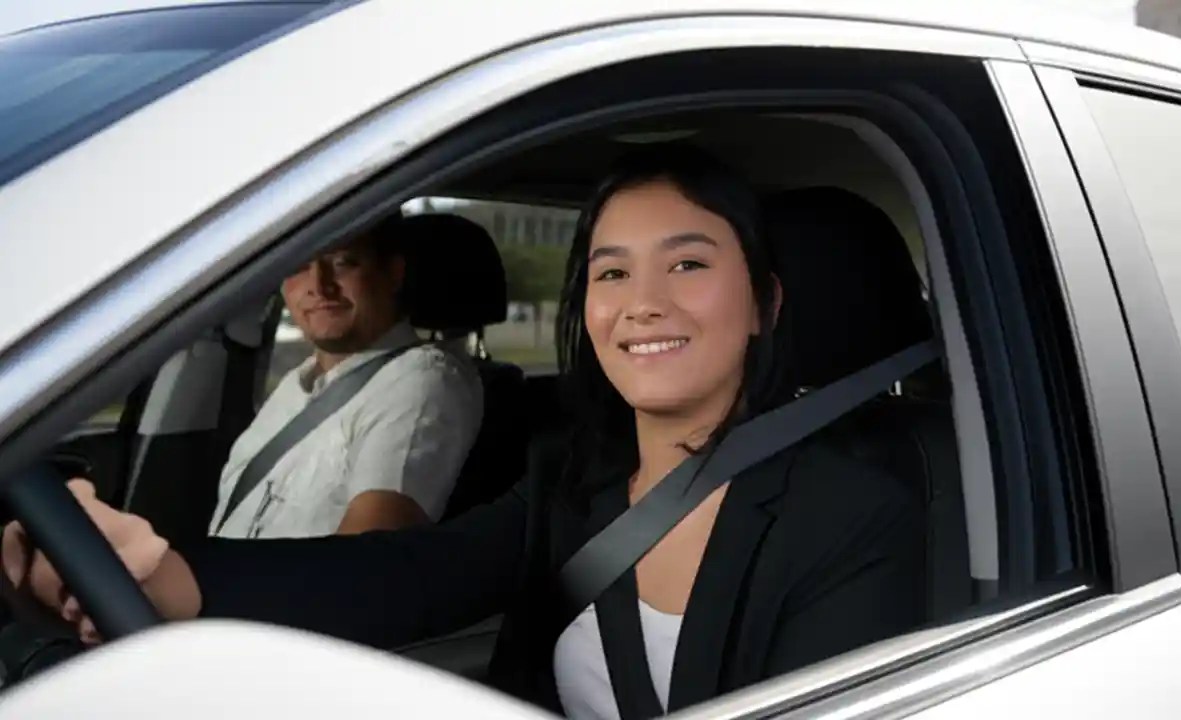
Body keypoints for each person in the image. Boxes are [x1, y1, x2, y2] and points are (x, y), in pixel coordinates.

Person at [3, 148, 925, 719]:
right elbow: (401, 575)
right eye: (611, 274)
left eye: (687, 264)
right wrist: (168, 577)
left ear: (763, 304)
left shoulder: (853, 512)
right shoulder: (571, 477)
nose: (642, 303)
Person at [211, 223, 484, 538]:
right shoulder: (294, 384)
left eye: (342, 262)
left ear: (393, 274)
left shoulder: (420, 381)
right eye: (297, 267)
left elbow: (367, 556)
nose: (318, 286)